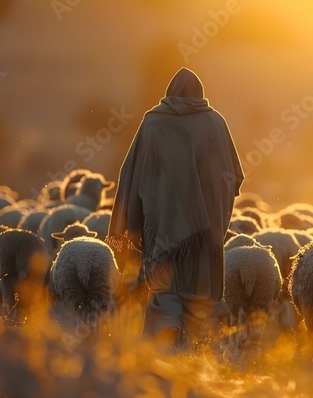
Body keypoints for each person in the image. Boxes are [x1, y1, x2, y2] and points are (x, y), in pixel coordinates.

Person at [107, 67, 244, 346]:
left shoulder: (152, 124)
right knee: (197, 297)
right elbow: (233, 176)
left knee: (163, 294)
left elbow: (130, 176)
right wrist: (213, 211)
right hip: (204, 238)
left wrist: (127, 224)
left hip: (161, 234)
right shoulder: (215, 124)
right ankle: (193, 360)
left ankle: (166, 355)